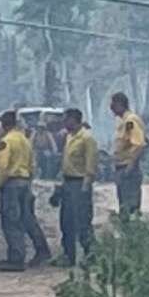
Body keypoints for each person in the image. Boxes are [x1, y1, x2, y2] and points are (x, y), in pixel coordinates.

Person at [0, 109, 51, 271]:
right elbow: (32, 164)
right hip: (25, 182)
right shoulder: (25, 140)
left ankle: (16, 259)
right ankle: (42, 250)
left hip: (11, 184)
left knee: (11, 221)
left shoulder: (6, 141)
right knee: (28, 219)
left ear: (4, 124)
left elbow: (2, 167)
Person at [52, 108, 96, 267]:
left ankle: (91, 256)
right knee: (66, 221)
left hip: (80, 183)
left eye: (66, 119)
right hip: (67, 182)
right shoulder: (68, 136)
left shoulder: (87, 138)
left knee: (82, 221)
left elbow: (91, 165)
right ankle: (68, 255)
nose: (63, 123)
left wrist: (86, 187)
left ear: (73, 119)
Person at [110, 92, 146, 220]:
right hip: (120, 168)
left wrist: (130, 166)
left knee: (130, 207)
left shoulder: (131, 121)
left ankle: (133, 234)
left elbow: (139, 144)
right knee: (123, 206)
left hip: (128, 169)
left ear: (120, 104)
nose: (111, 107)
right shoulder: (121, 121)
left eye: (113, 104)